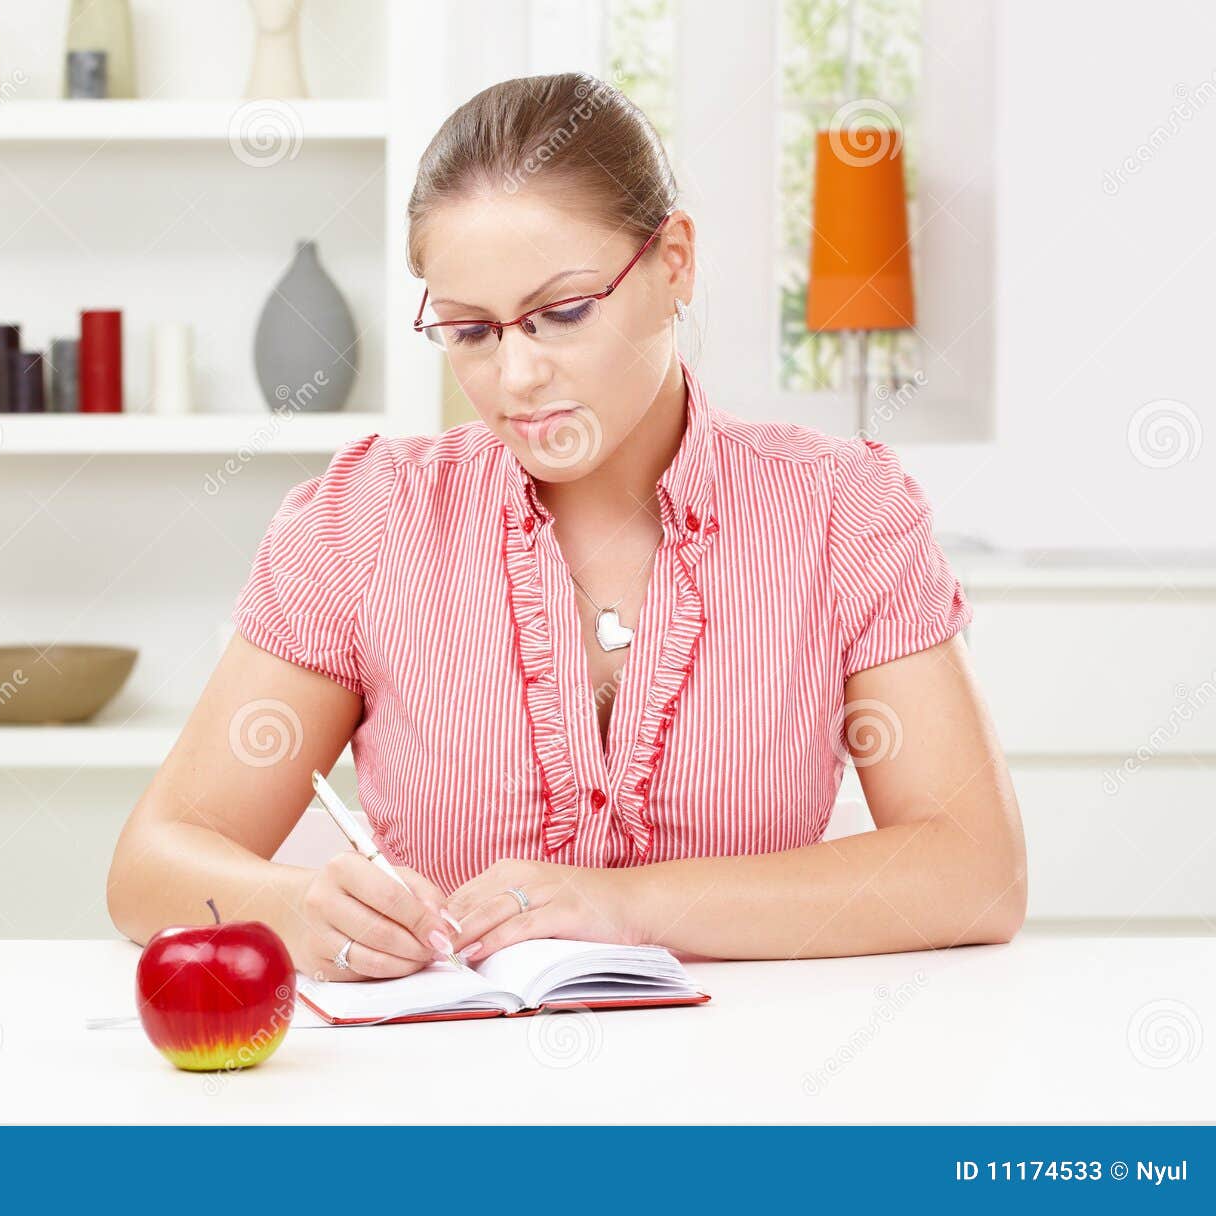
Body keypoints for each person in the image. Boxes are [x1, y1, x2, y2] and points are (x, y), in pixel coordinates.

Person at [108, 73, 1025, 979]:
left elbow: (973, 871)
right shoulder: (364, 523)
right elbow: (153, 866)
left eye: (563, 314)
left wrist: (624, 906)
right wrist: (293, 907)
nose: (516, 380)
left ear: (674, 264)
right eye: (470, 331)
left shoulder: (838, 512)